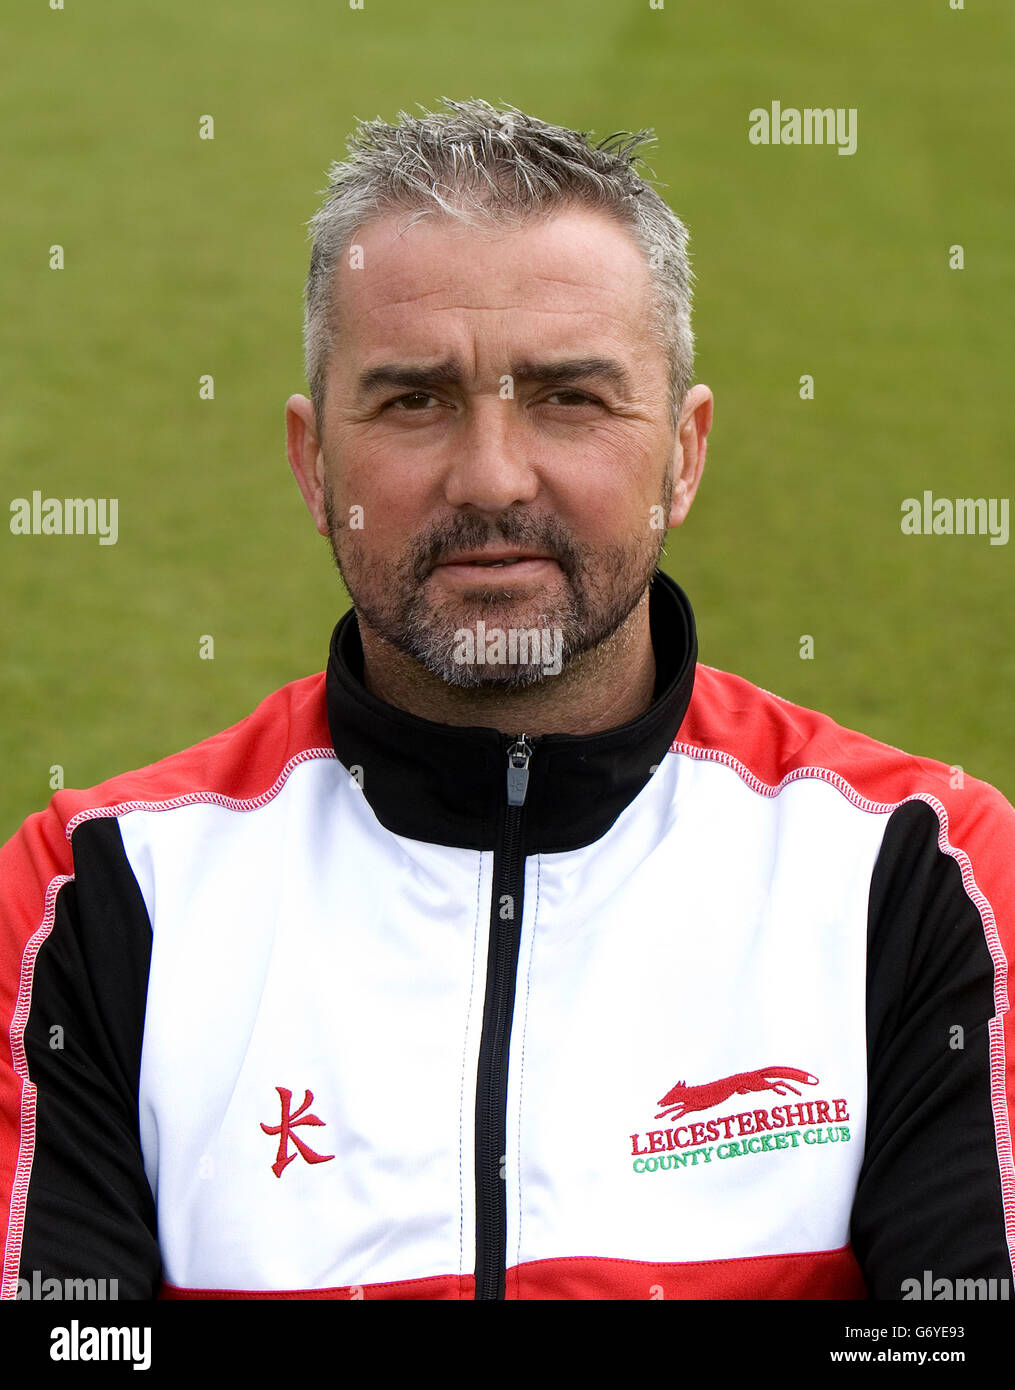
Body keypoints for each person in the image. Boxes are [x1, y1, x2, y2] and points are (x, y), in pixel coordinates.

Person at [1, 97, 1013, 1303]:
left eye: (570, 397)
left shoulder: (920, 874)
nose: (490, 477)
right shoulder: (98, 893)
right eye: (415, 399)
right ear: (312, 461)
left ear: (683, 454)